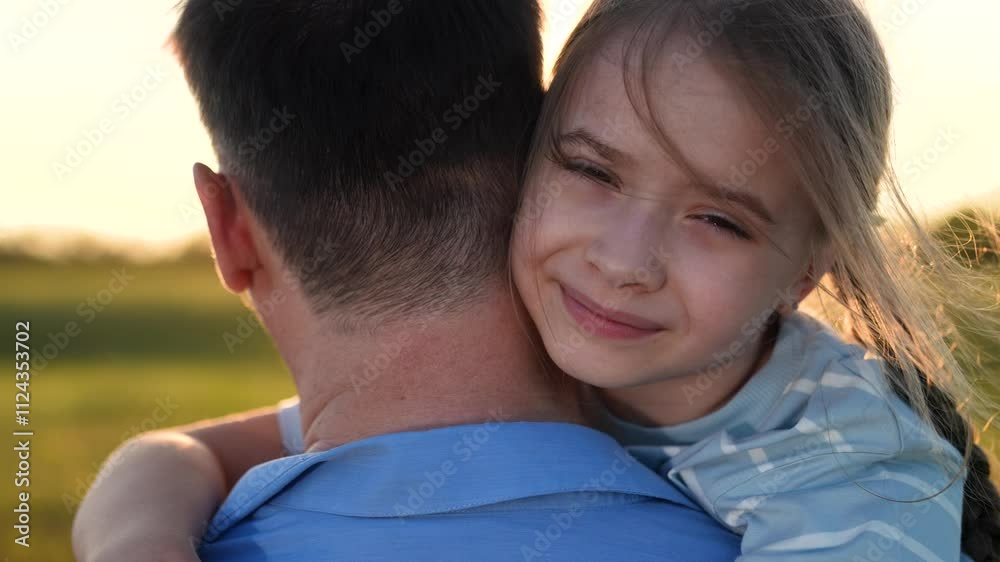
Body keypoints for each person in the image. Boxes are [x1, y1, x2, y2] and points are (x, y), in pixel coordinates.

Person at [76, 0, 1000, 560]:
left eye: (719, 219)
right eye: (594, 172)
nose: (621, 259)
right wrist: (136, 542)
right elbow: (184, 451)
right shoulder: (578, 357)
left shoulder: (848, 469)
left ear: (809, 271)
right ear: (526, 162)